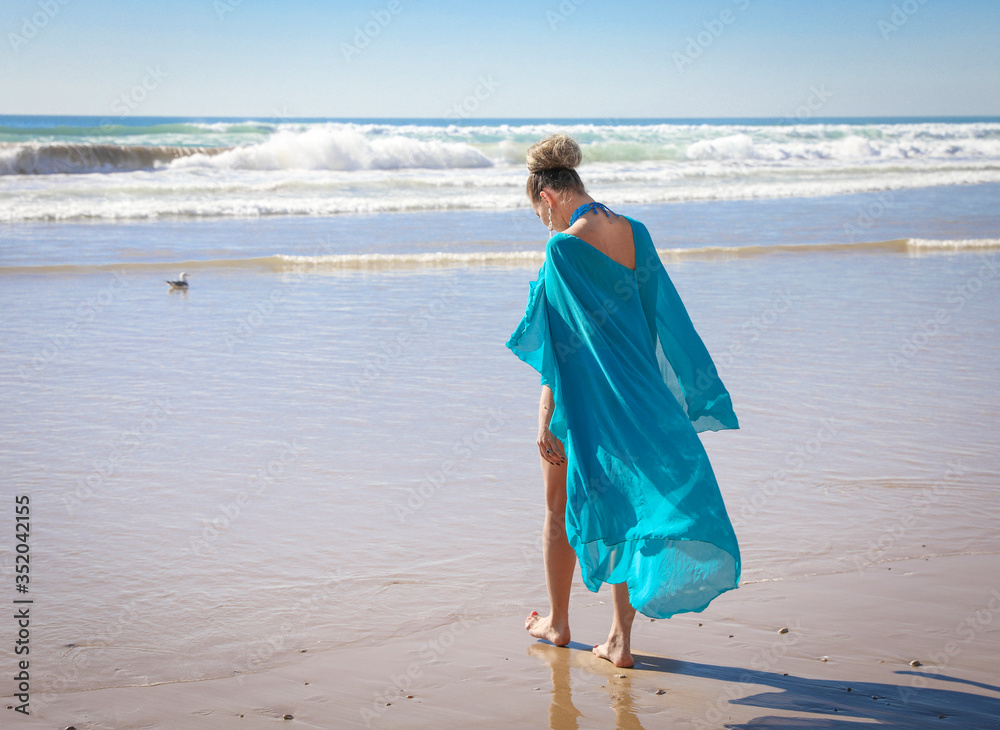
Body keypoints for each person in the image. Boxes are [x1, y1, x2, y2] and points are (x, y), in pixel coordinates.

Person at [506, 134, 741, 669]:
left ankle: (559, 622)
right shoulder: (635, 232)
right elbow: (660, 321)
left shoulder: (562, 248)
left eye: (541, 214)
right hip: (643, 396)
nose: (547, 225)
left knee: (556, 505)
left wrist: (545, 417)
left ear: (546, 196)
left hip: (590, 401)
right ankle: (619, 639)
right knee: (631, 505)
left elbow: (559, 347)